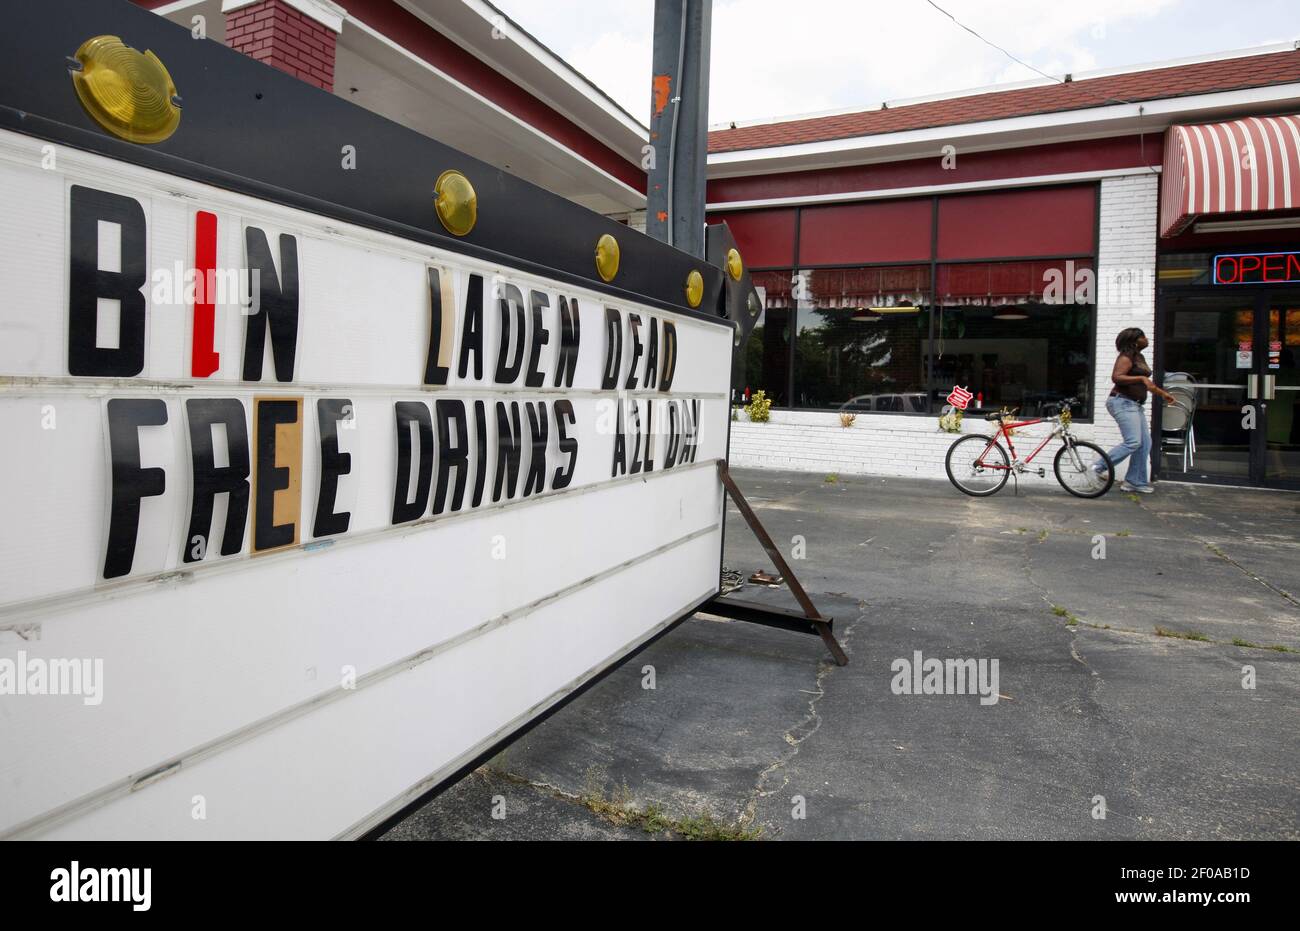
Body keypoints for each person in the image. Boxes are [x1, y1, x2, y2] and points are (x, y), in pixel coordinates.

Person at [1097, 327, 1176, 493]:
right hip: (1122, 402)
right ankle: (1098, 466)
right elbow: (1117, 377)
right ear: (1134, 341)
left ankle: (1134, 482)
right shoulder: (1126, 357)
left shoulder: (1139, 357)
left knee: (1145, 444)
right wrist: (1141, 378)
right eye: (1143, 336)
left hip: (1135, 404)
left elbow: (1147, 383)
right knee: (1133, 442)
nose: (1147, 339)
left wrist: (1163, 394)